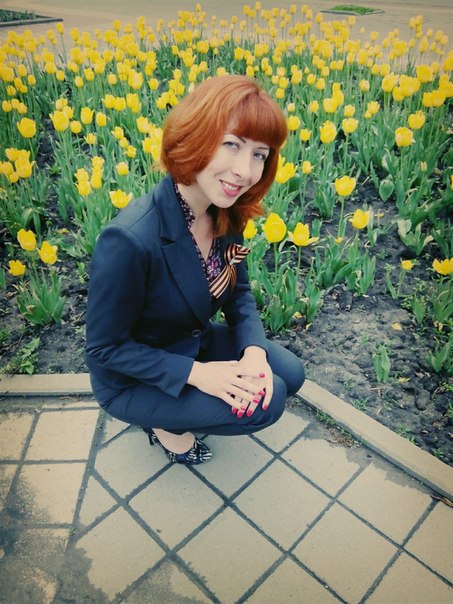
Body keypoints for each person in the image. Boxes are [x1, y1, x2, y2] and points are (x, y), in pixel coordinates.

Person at [85, 75, 305, 465]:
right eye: (232, 144)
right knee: (266, 405)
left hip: (189, 339)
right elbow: (105, 348)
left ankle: (186, 404)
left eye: (259, 154)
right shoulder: (130, 239)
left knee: (288, 374)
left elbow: (239, 293)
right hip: (133, 377)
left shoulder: (225, 211)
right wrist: (201, 375)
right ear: (196, 135)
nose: (245, 171)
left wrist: (253, 353)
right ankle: (164, 424)